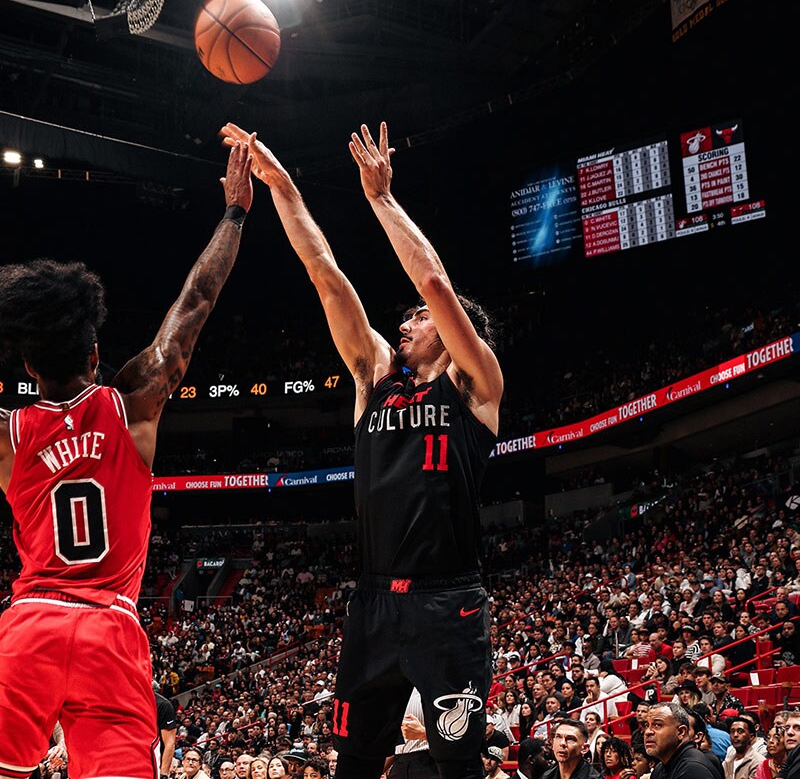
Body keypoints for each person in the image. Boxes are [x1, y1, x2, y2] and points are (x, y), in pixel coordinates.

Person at [220, 118, 503, 779]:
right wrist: (282, 185)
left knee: (459, 766)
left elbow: (435, 284)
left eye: (417, 319)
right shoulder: (375, 378)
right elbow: (326, 273)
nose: (404, 321)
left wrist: (381, 199)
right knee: (353, 764)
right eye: (403, 317)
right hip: (373, 603)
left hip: (448, 603)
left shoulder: (476, 385)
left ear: (460, 332)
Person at [0, 142, 252, 779]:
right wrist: (233, 215)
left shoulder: (9, 437)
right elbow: (192, 305)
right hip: (110, 629)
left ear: (27, 367)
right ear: (94, 356)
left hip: (29, 626)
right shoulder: (133, 405)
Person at [644, 702, 720, 778]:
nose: (648, 732)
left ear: (681, 732)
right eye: (647, 725)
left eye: (657, 725)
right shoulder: (660, 768)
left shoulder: (693, 769)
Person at [386, 688, 438, 779]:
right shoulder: (398, 692)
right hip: (398, 765)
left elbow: (462, 738)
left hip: (429, 763)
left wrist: (424, 733)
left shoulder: (440, 687)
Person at [155, 684, 179, 779]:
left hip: (153, 762)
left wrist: (163, 773)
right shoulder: (124, 701)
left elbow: (170, 743)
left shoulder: (162, 704)